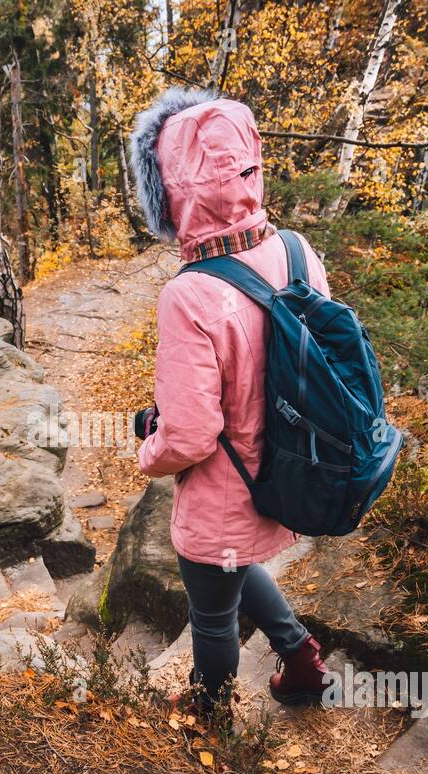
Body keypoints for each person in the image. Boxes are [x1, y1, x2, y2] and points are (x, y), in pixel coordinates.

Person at [128, 88, 330, 720]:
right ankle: (302, 662)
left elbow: (188, 435)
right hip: (292, 470)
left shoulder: (188, 295)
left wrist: (147, 450)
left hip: (225, 492)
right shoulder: (297, 251)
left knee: (211, 613)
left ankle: (208, 716)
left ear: (170, 192)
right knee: (233, 567)